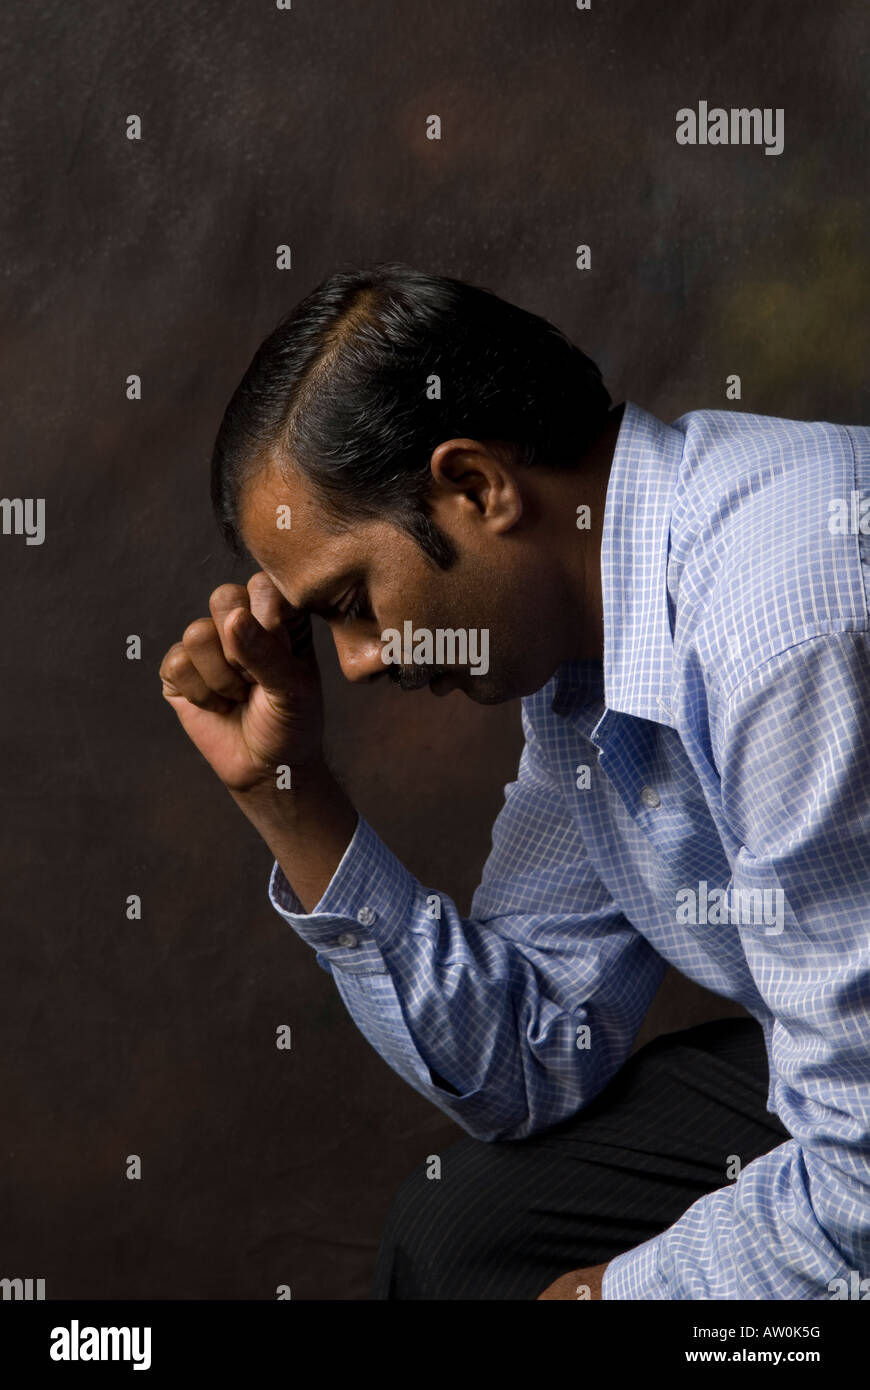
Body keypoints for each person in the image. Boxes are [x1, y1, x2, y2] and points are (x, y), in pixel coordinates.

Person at [159, 263, 870, 1299]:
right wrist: (286, 790)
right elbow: (536, 1052)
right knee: (466, 1235)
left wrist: (611, 1297)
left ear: (479, 486)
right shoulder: (586, 664)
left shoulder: (782, 623)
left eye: (355, 598)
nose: (354, 662)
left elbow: (861, 1183)